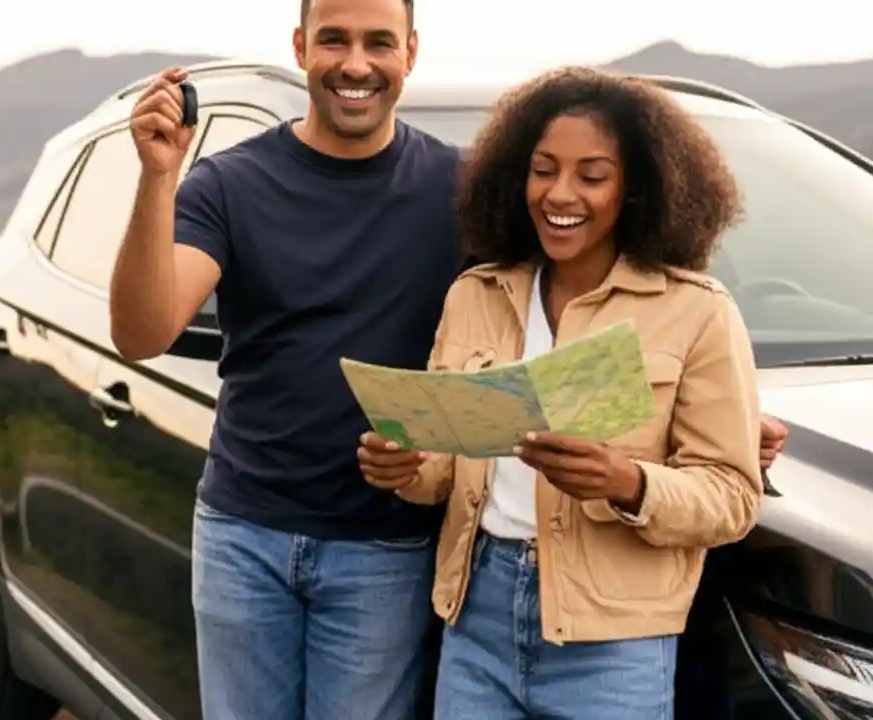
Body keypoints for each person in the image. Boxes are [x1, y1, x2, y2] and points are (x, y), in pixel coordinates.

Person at [110, 0, 789, 716]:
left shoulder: (460, 195)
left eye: (378, 41)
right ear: (300, 45)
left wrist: (725, 417)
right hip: (248, 532)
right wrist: (159, 176)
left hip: (388, 550)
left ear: (410, 51)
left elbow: (616, 312)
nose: (355, 63)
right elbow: (144, 332)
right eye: (334, 39)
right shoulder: (229, 185)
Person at [358, 65, 777, 719]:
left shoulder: (697, 312)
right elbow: (441, 472)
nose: (560, 193)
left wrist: (628, 483)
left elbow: (731, 495)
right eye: (543, 168)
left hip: (612, 637)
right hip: (478, 615)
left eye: (592, 174)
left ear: (635, 189)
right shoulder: (478, 293)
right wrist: (403, 466)